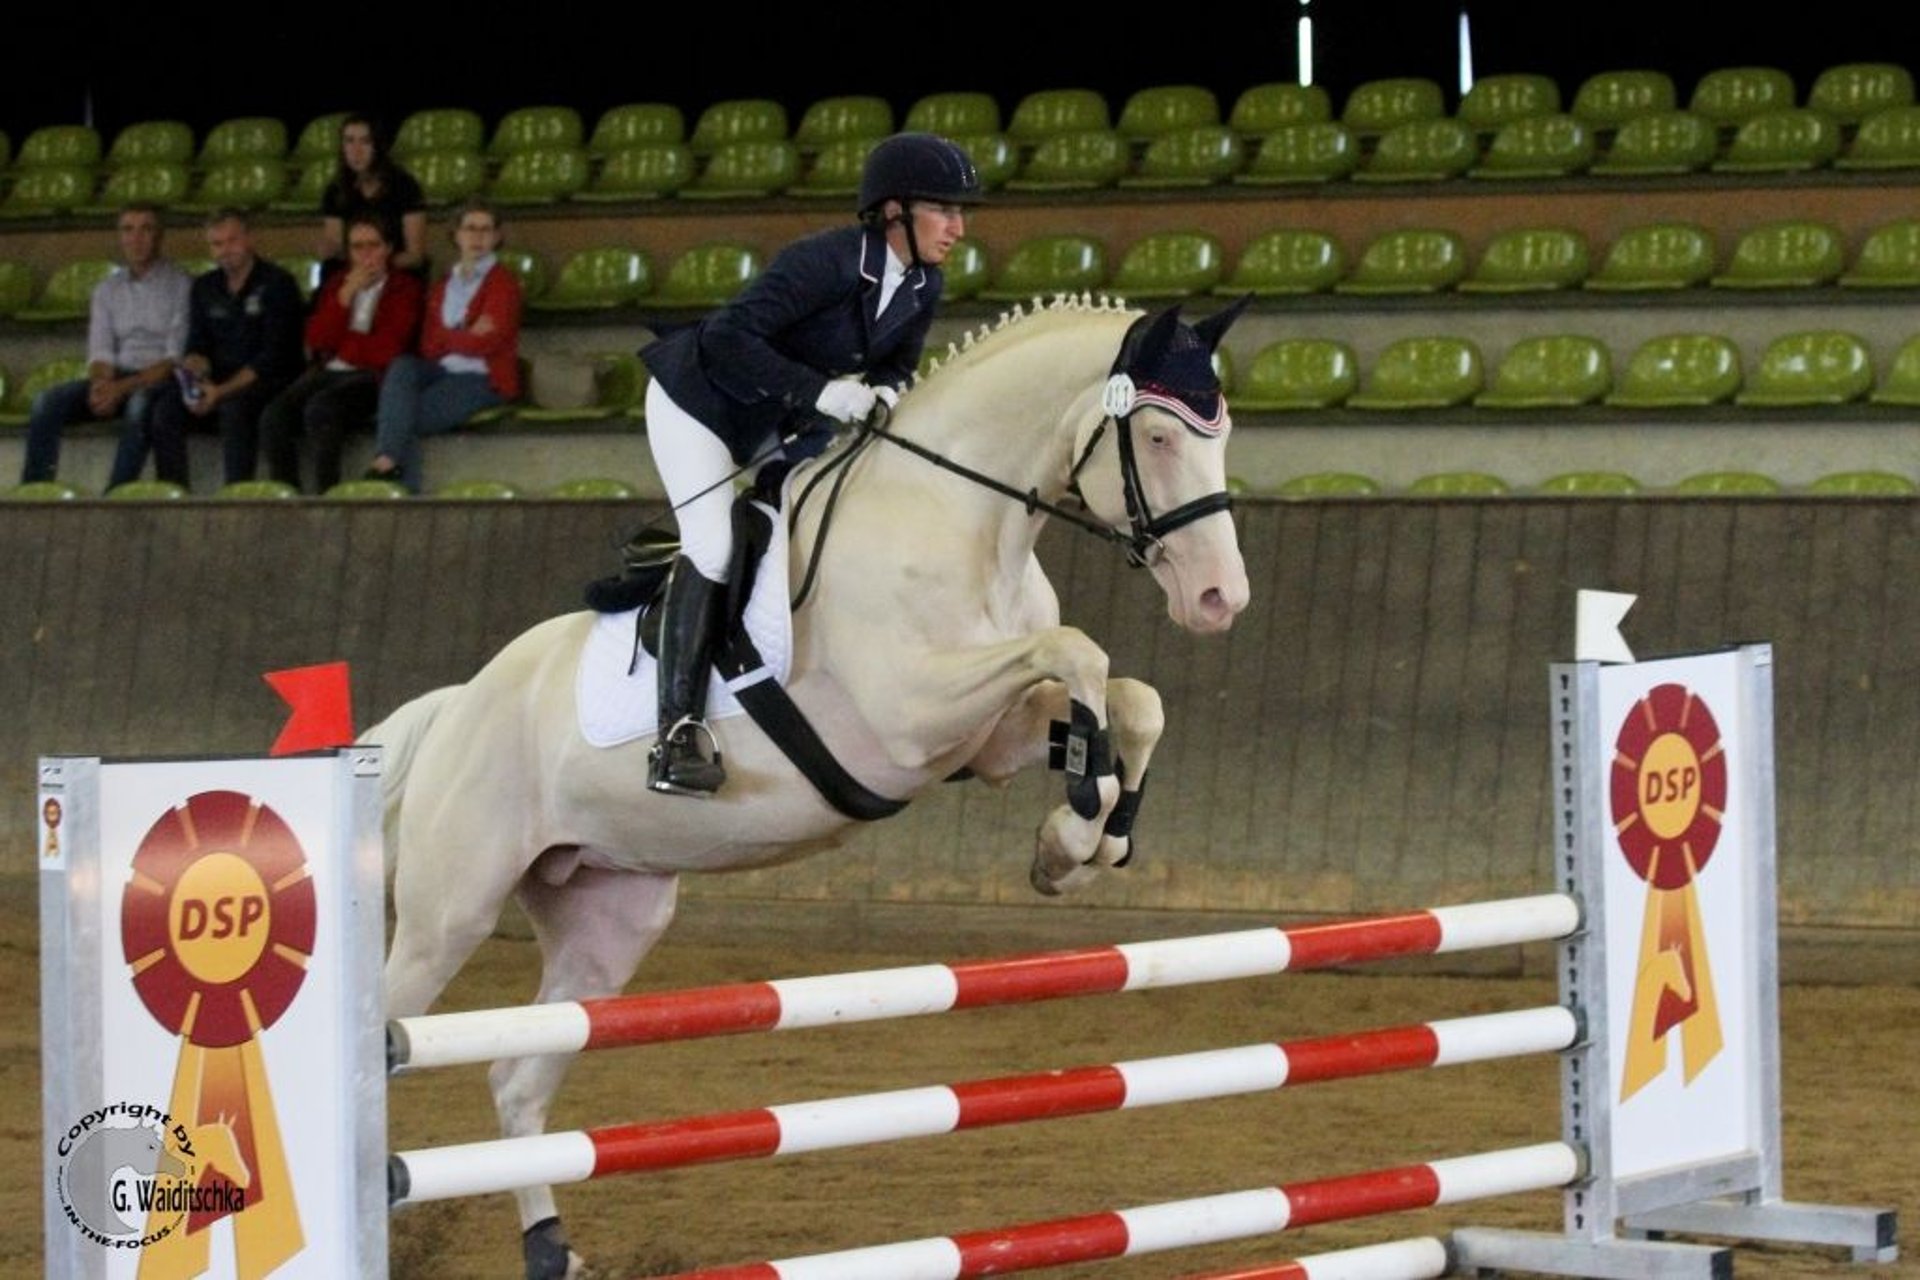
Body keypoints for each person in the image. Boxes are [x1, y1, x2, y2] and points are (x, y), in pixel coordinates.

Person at [636, 132, 980, 797]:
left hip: (777, 415)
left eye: (961, 212)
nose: (959, 229)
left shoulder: (923, 284)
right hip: (700, 402)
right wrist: (819, 392)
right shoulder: (824, 261)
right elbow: (730, 335)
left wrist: (885, 392)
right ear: (894, 212)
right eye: (945, 209)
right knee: (712, 544)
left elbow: (895, 366)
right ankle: (674, 734)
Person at [19, 205, 190, 487]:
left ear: (160, 236)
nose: (136, 238)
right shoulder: (106, 289)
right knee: (46, 403)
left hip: (159, 381)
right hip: (116, 377)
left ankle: (116, 493)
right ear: (120, 237)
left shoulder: (182, 285)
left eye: (145, 229)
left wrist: (120, 390)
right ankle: (35, 490)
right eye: (128, 229)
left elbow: (174, 359)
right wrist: (101, 386)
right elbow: (100, 350)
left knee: (139, 406)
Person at [137, 208, 305, 489]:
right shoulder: (205, 287)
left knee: (234, 409)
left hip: (271, 380)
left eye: (232, 241)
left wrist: (220, 392)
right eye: (217, 244)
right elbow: (197, 344)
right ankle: (173, 492)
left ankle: (236, 494)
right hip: (218, 378)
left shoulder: (278, 283)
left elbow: (274, 355)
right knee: (165, 407)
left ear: (249, 239)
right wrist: (195, 374)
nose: (226, 250)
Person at [365, 198, 521, 492]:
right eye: (470, 228)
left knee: (401, 417)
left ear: (497, 237)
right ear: (456, 234)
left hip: (483, 378)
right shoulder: (444, 284)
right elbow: (428, 342)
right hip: (441, 369)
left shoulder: (503, 283)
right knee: (402, 367)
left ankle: (391, 472)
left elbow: (489, 341)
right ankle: (391, 465)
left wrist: (449, 336)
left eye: (486, 230)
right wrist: (464, 333)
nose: (477, 237)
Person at [262, 214, 423, 493]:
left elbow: (388, 348)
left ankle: (327, 494)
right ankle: (287, 493)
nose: (365, 254)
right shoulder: (338, 284)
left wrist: (346, 345)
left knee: (322, 409)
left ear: (388, 248)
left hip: (374, 378)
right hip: (330, 370)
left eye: (373, 245)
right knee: (273, 416)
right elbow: (317, 338)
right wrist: (345, 297)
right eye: (357, 247)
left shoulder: (405, 289)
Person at [318, 114, 427, 274]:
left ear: (378, 146)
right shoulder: (335, 190)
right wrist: (329, 249)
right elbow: (337, 249)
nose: (356, 150)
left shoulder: (405, 186)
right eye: (349, 141)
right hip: (353, 272)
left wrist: (374, 265)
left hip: (393, 272)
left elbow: (415, 256)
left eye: (365, 141)